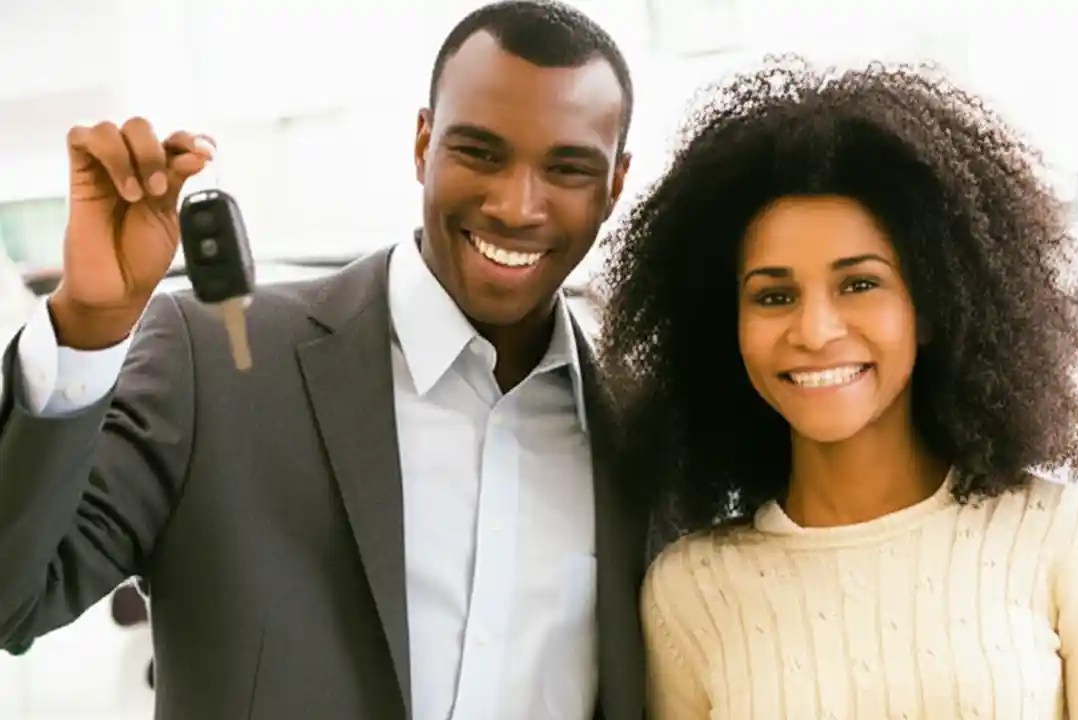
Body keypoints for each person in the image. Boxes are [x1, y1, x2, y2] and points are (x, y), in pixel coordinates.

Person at [0, 2, 649, 718]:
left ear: (615, 184)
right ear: (422, 143)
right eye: (480, 153)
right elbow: (11, 598)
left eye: (567, 168)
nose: (517, 206)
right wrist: (87, 323)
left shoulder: (644, 437)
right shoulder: (214, 365)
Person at [600, 59, 1078, 718]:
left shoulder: (1060, 536)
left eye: (859, 284)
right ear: (727, 329)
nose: (814, 329)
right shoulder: (690, 592)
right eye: (774, 295)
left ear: (932, 307)